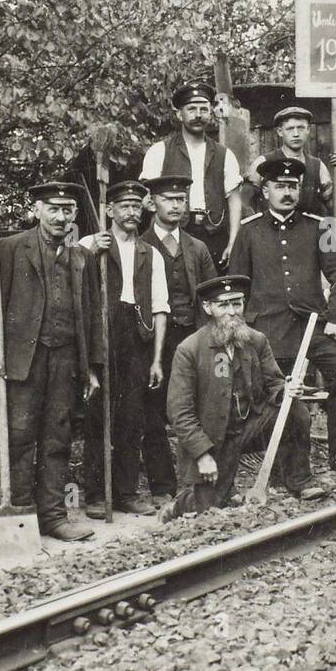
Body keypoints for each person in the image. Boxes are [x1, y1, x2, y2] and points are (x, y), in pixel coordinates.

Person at [0, 181, 101, 542]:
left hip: (65, 360)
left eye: (67, 211)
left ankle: (53, 515)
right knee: (19, 436)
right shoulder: (12, 249)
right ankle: (20, 514)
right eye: (53, 209)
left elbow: (92, 316)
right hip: (21, 361)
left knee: (57, 438)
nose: (60, 217)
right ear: (37, 210)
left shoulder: (81, 257)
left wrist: (91, 367)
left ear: (75, 215)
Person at [229, 158, 336, 470]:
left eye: (293, 186)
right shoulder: (249, 232)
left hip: (311, 328)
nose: (287, 192)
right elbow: (236, 288)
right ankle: (278, 460)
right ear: (265, 190)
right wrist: (242, 329)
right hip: (267, 332)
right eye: (280, 186)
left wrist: (335, 320)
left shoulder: (319, 227)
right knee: (276, 391)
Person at [164, 275, 326, 518]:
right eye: (224, 305)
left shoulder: (255, 340)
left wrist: (287, 390)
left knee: (295, 411)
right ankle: (182, 505)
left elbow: (274, 382)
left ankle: (299, 481)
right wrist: (202, 454)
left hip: (251, 426)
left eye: (237, 304)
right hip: (214, 438)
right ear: (208, 308)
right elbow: (180, 412)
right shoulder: (190, 349)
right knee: (210, 506)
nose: (232, 312)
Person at [79, 180, 170, 518]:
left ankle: (126, 492)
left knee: (132, 418)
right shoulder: (91, 244)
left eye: (136, 206)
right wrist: (90, 255)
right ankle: (95, 494)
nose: (131, 212)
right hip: (102, 337)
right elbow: (75, 286)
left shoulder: (151, 254)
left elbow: (160, 308)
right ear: (109, 210)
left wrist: (157, 359)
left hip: (137, 338)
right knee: (97, 417)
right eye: (124, 206)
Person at [140, 174, 218, 501]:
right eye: (168, 199)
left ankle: (199, 479)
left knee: (196, 408)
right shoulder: (140, 246)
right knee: (153, 410)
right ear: (152, 203)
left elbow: (212, 295)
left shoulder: (197, 248)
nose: (175, 205)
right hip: (153, 342)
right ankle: (162, 485)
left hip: (191, 337)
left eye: (181, 200)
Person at [139, 80, 242, 265]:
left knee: (212, 288)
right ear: (179, 114)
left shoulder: (225, 154)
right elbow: (148, 198)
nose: (198, 115)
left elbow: (234, 200)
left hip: (215, 236)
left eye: (203, 109)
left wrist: (233, 240)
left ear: (211, 112)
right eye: (191, 109)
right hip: (172, 234)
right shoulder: (160, 150)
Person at [243, 106, 336, 216]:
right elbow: (243, 202)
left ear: (308, 130)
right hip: (272, 231)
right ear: (280, 132)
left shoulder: (317, 166)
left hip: (307, 231)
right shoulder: (263, 162)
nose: (296, 134)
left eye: (301, 128)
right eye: (290, 129)